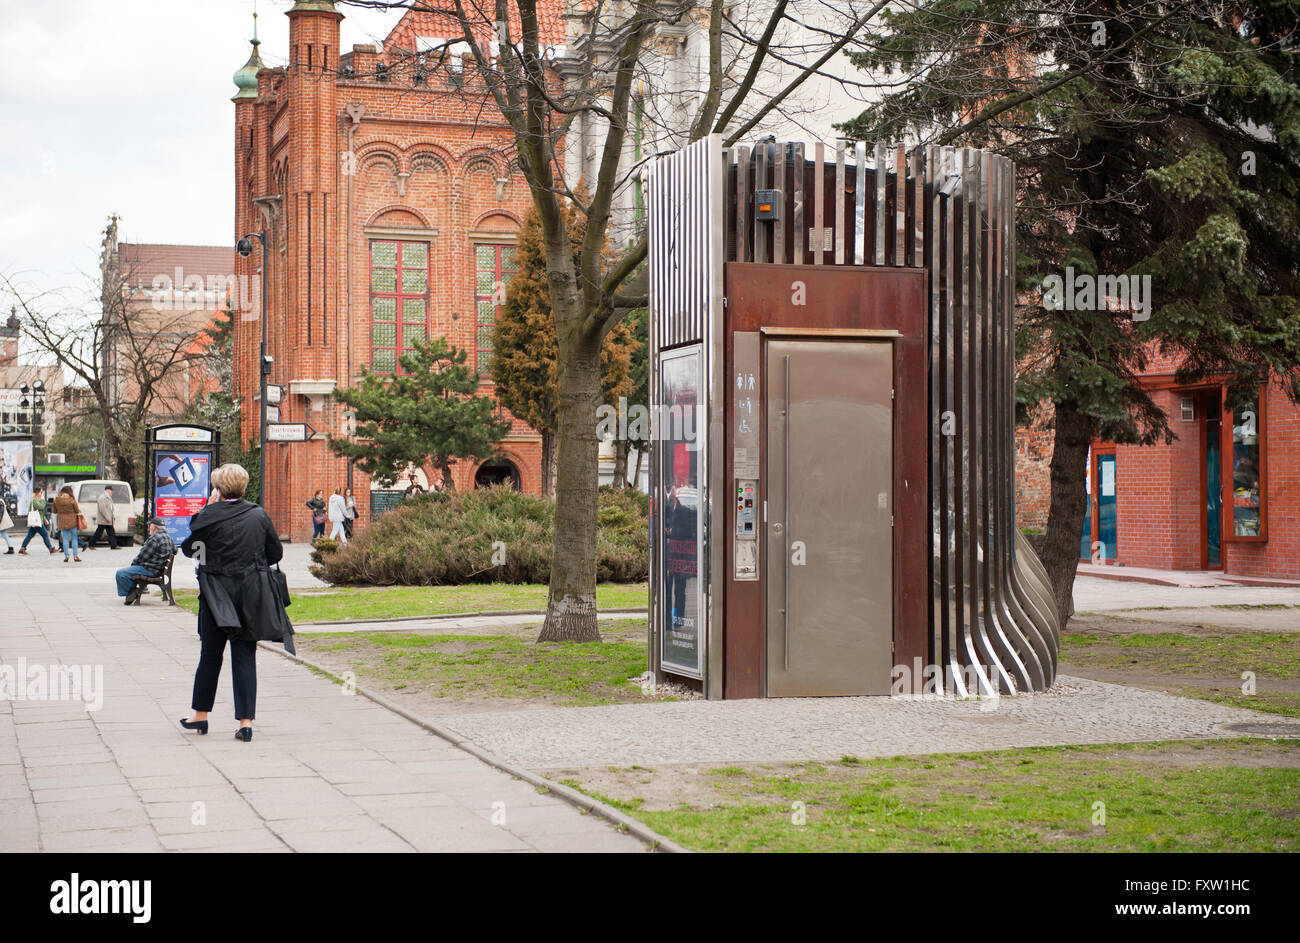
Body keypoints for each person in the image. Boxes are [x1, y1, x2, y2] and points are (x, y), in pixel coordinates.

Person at [179, 463, 294, 742]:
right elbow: (275, 552)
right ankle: (246, 723)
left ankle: (201, 716)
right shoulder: (257, 515)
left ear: (218, 489)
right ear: (242, 487)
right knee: (244, 655)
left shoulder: (209, 516)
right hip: (250, 593)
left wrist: (206, 510)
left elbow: (189, 549)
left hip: (216, 594)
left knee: (210, 655)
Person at [117, 518, 176, 605]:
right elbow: (175, 551)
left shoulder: (155, 538)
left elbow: (142, 556)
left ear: (153, 527)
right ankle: (133, 591)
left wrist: (133, 564)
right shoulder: (169, 538)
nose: (148, 528)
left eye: (149, 526)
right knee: (128, 572)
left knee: (121, 573)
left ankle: (131, 592)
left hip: (150, 570)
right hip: (159, 570)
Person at [19, 487, 55, 555]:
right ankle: (50, 549)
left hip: (36, 521)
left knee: (29, 535)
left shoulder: (37, 500)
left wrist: (44, 519)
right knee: (45, 534)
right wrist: (43, 501)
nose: (42, 493)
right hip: (37, 522)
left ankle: (22, 548)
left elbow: (40, 512)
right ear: (37, 493)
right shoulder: (34, 500)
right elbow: (40, 507)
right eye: (41, 492)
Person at [52, 485, 82, 563]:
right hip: (72, 522)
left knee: (65, 539)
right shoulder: (72, 499)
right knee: (74, 539)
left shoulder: (57, 500)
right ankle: (75, 556)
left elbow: (54, 511)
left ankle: (66, 556)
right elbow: (77, 510)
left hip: (62, 522)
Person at [90, 485, 119, 550]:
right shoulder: (102, 498)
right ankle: (91, 544)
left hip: (107, 519)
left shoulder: (108, 497)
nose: (112, 492)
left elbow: (109, 508)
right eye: (111, 490)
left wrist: (111, 517)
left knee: (111, 532)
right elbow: (102, 509)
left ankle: (113, 545)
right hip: (104, 519)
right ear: (107, 490)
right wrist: (108, 518)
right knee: (99, 533)